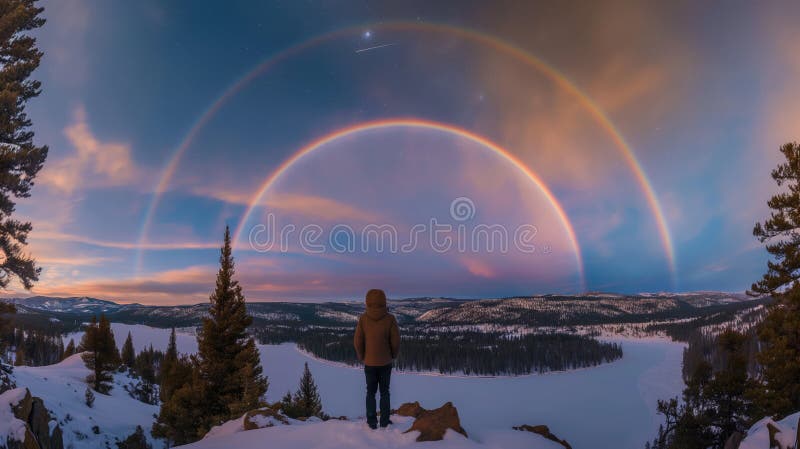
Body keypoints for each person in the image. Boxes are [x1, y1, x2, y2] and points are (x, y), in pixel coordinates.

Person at [354, 288, 400, 429]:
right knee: (385, 392)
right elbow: (396, 341)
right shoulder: (390, 319)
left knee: (370, 393)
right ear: (383, 301)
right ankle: (384, 421)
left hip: (369, 363)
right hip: (385, 363)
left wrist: (362, 356)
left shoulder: (363, 318)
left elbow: (357, 341)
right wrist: (393, 355)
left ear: (368, 301)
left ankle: (372, 422)